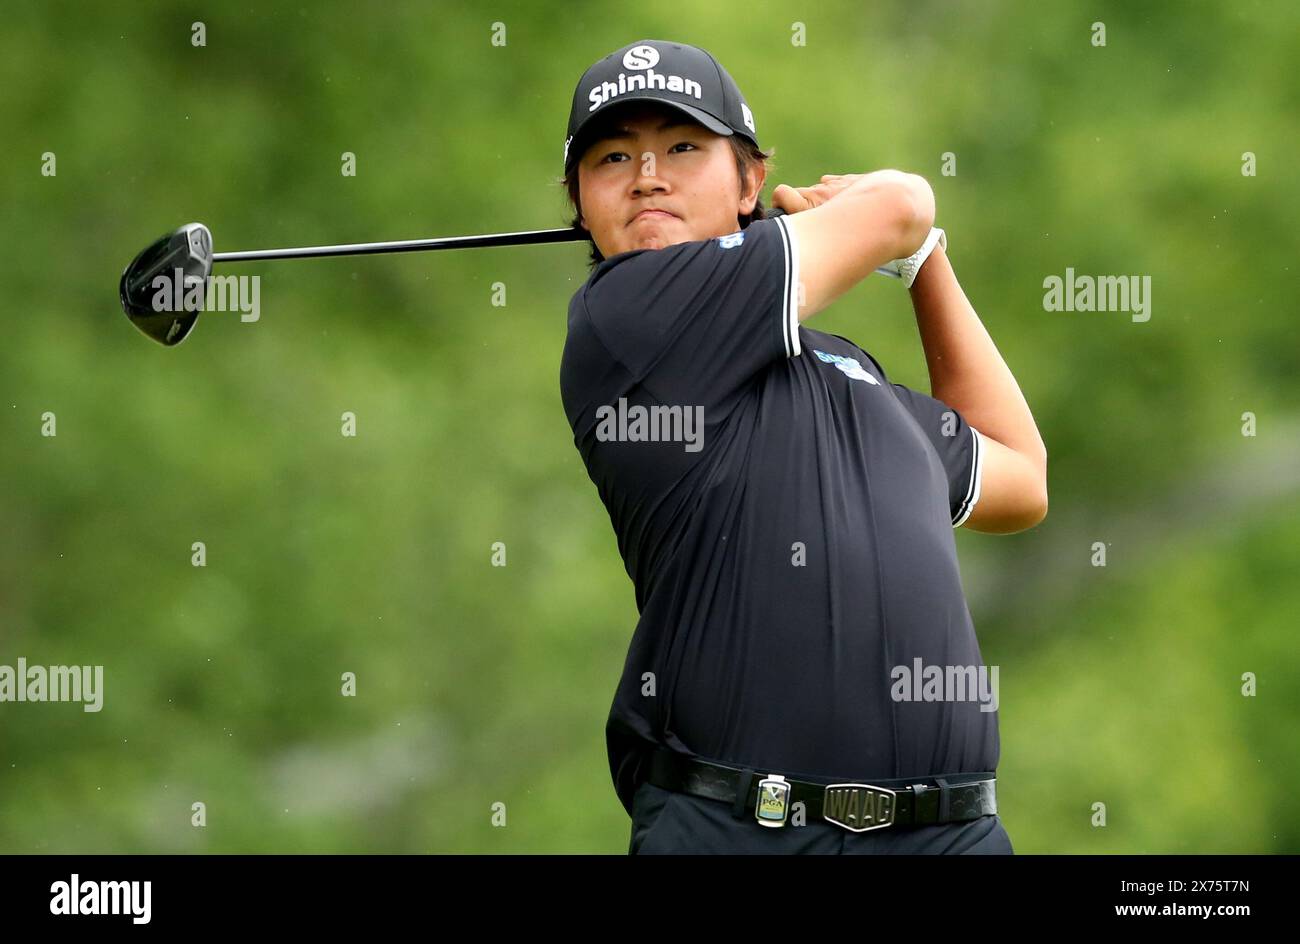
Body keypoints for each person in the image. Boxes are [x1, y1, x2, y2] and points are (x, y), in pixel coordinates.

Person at [557, 40, 1048, 854]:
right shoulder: (625, 320)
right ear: (579, 203)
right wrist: (894, 223)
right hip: (739, 830)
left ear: (751, 182)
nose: (648, 175)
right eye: (614, 157)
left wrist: (927, 264)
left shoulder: (844, 367)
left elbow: (1021, 478)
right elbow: (901, 200)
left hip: (949, 835)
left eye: (682, 147)